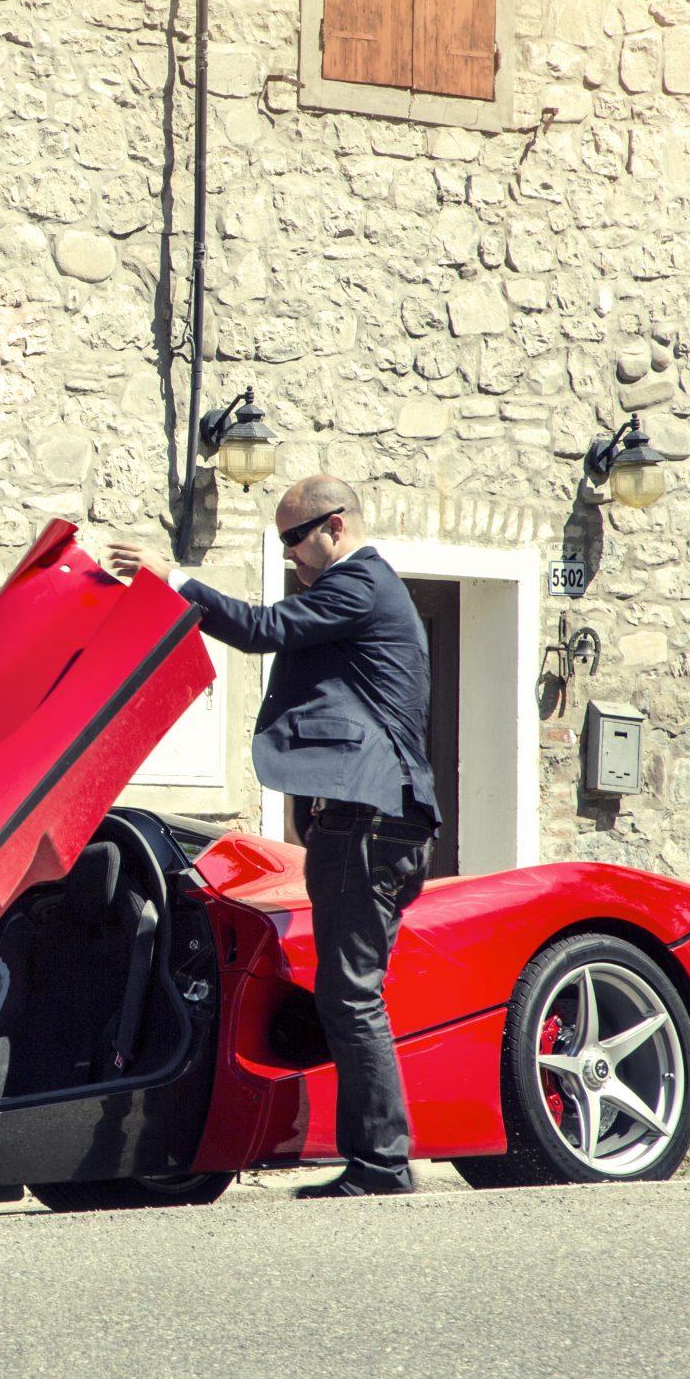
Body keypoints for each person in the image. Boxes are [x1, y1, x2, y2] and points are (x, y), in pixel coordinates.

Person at [107, 478, 438, 1198]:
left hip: (372, 825)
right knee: (350, 993)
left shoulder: (361, 585)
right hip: (367, 820)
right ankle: (374, 1159)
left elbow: (264, 629)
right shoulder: (359, 596)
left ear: (336, 526)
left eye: (295, 538)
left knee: (351, 996)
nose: (289, 554)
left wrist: (171, 579)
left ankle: (383, 1163)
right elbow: (337, 706)